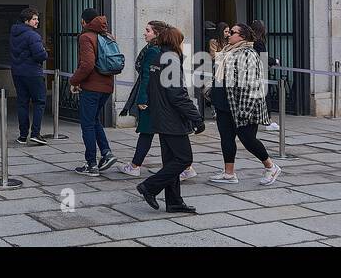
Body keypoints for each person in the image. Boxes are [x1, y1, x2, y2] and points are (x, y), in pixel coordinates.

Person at [135, 23, 205, 214]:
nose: (183, 45)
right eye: (182, 42)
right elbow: (177, 95)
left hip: (160, 116)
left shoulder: (158, 58)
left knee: (171, 160)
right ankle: (149, 187)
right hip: (171, 118)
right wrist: (196, 117)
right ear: (175, 42)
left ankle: (174, 202)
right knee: (184, 158)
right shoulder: (171, 60)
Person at [206, 24, 281, 186]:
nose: (229, 35)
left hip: (242, 105)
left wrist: (245, 110)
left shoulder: (248, 54)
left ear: (243, 36)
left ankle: (271, 166)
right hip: (223, 103)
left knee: (248, 139)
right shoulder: (227, 50)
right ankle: (229, 173)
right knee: (226, 138)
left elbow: (251, 84)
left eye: (232, 32)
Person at [69, 8, 117, 175]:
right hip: (107, 86)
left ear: (84, 21)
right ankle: (106, 153)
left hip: (91, 87)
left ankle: (91, 164)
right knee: (94, 120)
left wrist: (74, 80)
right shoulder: (107, 35)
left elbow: (87, 64)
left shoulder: (85, 37)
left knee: (87, 124)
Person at [118, 21, 163, 176]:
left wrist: (142, 99)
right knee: (161, 132)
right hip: (159, 97)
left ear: (157, 33)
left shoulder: (152, 51)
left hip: (151, 97)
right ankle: (183, 167)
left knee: (147, 131)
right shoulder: (159, 49)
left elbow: (146, 76)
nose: (145, 33)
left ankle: (135, 166)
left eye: (148, 30)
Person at [10, 7, 49, 145]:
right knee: (39, 102)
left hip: (17, 73)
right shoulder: (33, 36)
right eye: (34, 19)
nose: (37, 21)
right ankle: (35, 133)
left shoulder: (14, 33)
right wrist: (45, 52)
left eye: (37, 19)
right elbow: (40, 55)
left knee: (22, 103)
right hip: (32, 73)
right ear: (26, 21)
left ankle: (22, 135)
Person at [250, 19, 281, 131]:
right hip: (259, 73)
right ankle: (267, 121)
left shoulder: (251, 41)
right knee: (264, 97)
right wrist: (275, 61)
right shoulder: (258, 42)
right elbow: (263, 57)